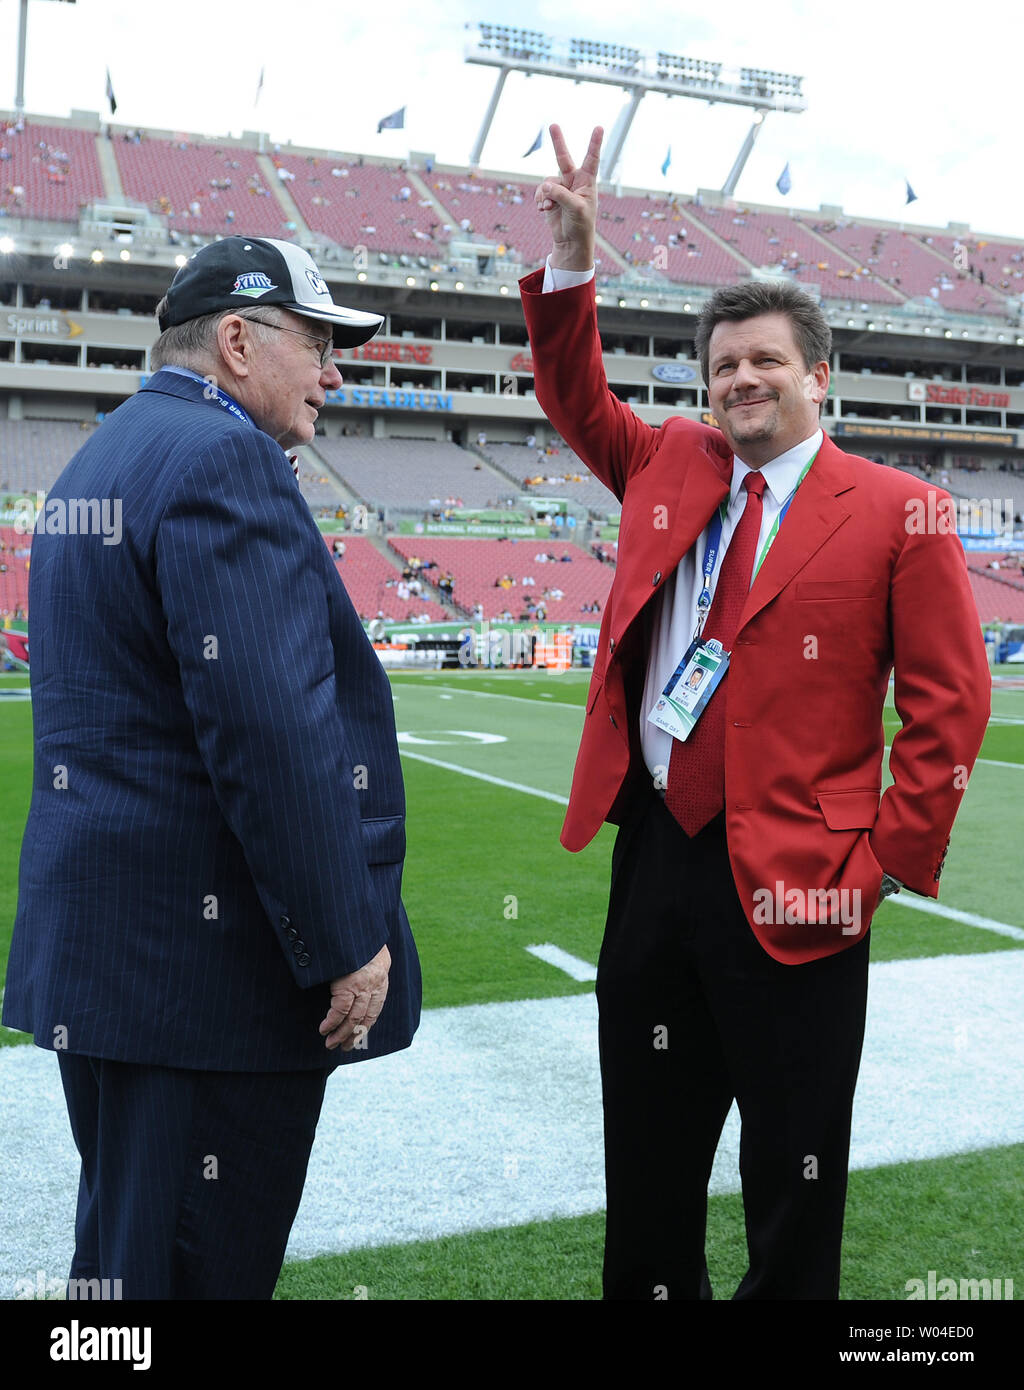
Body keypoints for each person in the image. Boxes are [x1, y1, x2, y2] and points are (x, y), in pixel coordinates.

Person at [520, 126, 990, 1301]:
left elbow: (950, 702)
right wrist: (574, 263)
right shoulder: (669, 462)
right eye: (722, 365)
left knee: (795, 1176)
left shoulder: (898, 508)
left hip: (806, 876)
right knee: (648, 1159)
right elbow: (575, 393)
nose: (739, 381)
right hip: (659, 861)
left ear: (815, 374)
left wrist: (884, 859)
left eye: (765, 362)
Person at [3, 236, 421, 1300]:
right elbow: (271, 731)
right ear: (237, 340)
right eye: (319, 343)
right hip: (202, 977)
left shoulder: (105, 455)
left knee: (120, 1272)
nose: (335, 374)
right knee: (192, 1276)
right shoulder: (223, 459)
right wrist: (344, 938)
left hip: (111, 961)